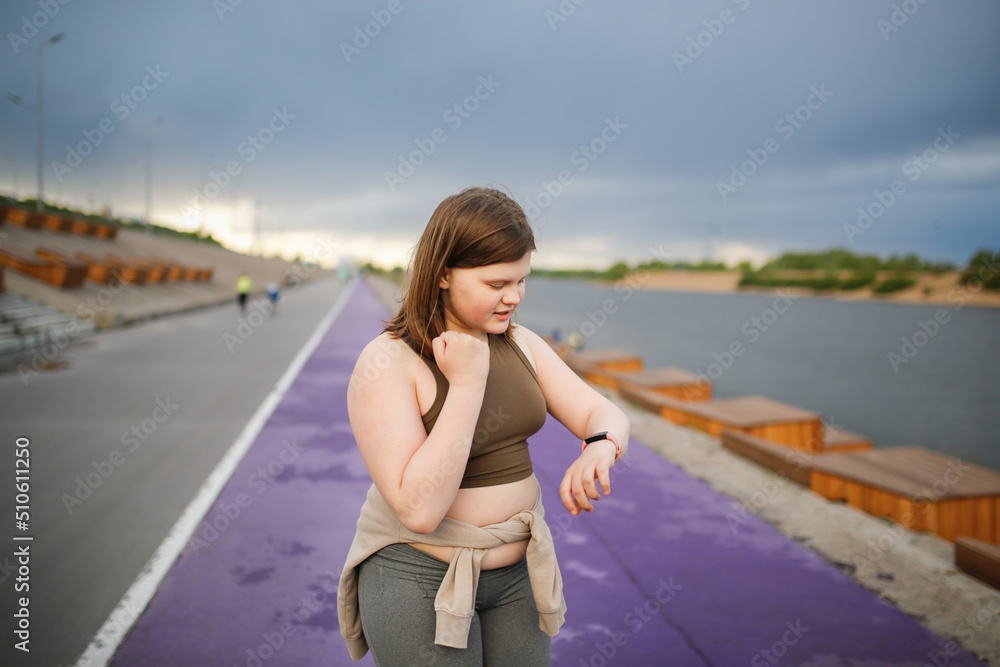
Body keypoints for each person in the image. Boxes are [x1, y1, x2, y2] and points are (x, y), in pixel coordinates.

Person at [337, 187, 631, 666]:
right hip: (418, 578)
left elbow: (604, 412)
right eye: (497, 283)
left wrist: (601, 446)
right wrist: (468, 384)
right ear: (443, 274)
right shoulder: (388, 361)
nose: (513, 297)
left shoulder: (522, 343)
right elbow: (419, 509)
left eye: (521, 280)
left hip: (517, 580)